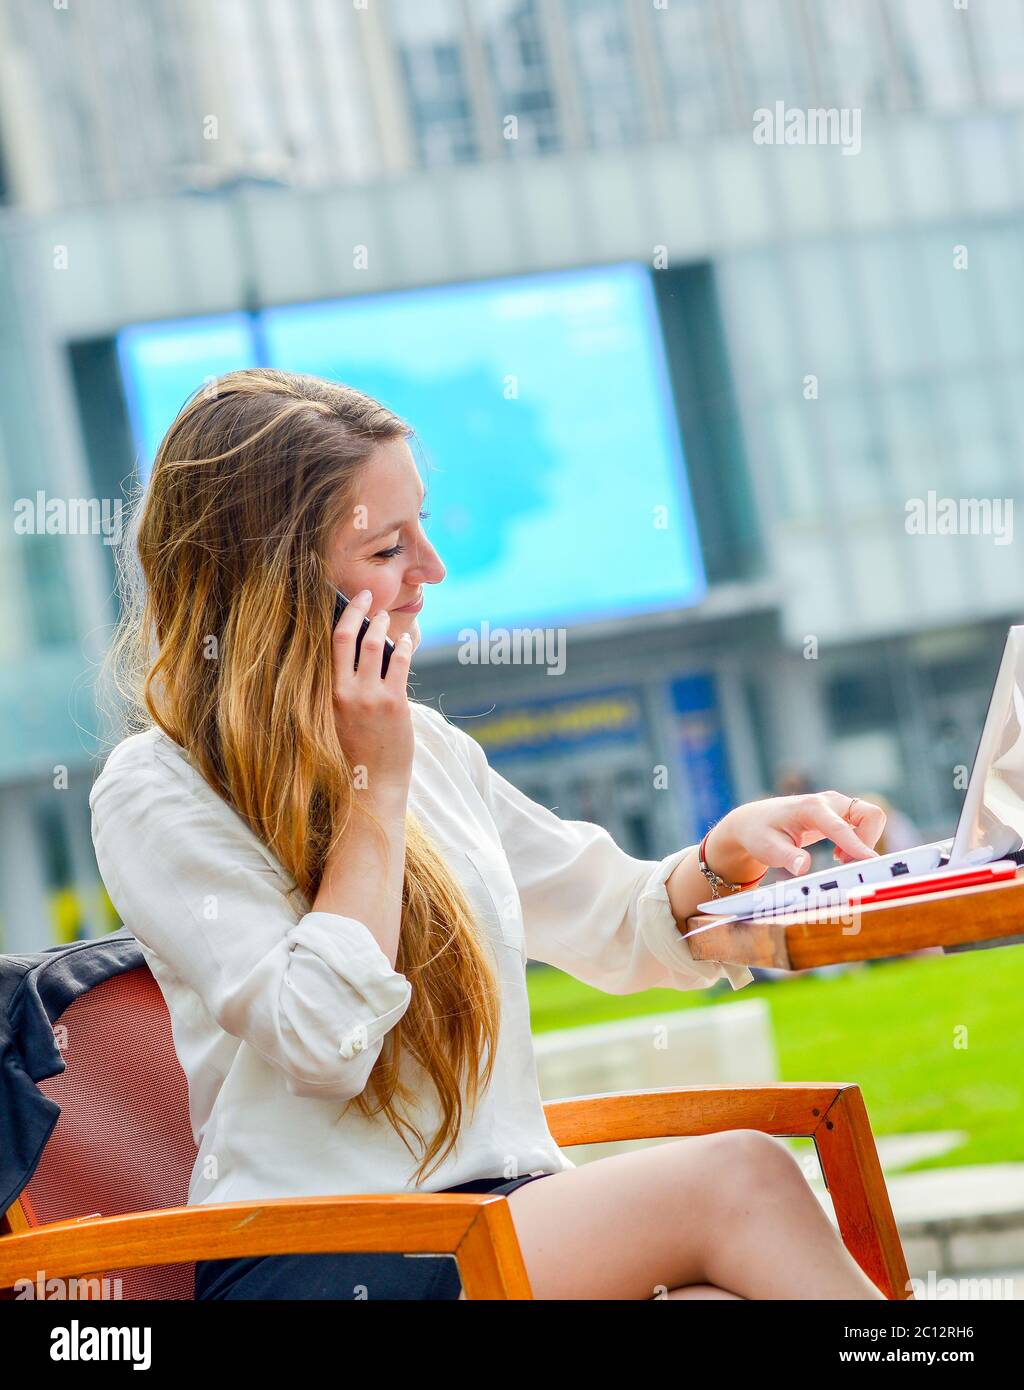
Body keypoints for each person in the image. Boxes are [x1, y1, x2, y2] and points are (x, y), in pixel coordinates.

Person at [90, 368, 890, 1300]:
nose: (431, 570)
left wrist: (721, 859)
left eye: (423, 529)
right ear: (272, 581)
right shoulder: (159, 789)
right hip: (327, 1252)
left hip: (491, 1225)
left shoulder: (426, 748)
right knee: (741, 1179)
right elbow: (321, 1038)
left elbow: (608, 916)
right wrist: (373, 789)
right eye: (390, 547)